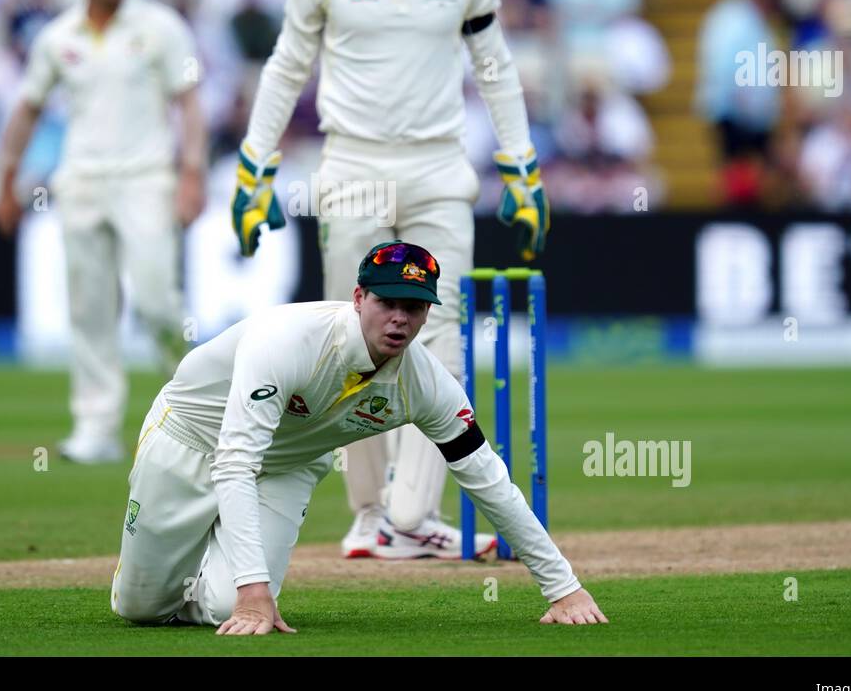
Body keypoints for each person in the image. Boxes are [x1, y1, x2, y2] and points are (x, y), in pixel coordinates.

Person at [230, 0, 550, 560]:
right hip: (353, 165)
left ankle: (411, 514)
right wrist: (254, 167)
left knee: (442, 328)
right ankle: (370, 512)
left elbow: (495, 68)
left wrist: (522, 165)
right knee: (352, 335)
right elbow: (285, 66)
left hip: (438, 167)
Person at [110, 241, 607, 634]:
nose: (400, 319)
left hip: (287, 467)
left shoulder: (427, 384)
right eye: (387, 303)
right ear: (358, 299)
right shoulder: (285, 339)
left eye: (414, 307)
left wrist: (564, 589)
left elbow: (488, 479)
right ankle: (179, 574)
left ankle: (213, 577)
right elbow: (235, 461)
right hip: (191, 442)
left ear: (428, 313)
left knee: (228, 607)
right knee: (140, 609)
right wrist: (254, 590)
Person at [0, 0, 207, 464]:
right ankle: (96, 428)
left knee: (157, 301)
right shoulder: (57, 36)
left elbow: (188, 102)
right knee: (90, 307)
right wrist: (7, 180)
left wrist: (192, 174)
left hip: (145, 180)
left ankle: (194, 411)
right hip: (81, 181)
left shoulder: (160, 26)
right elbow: (27, 108)